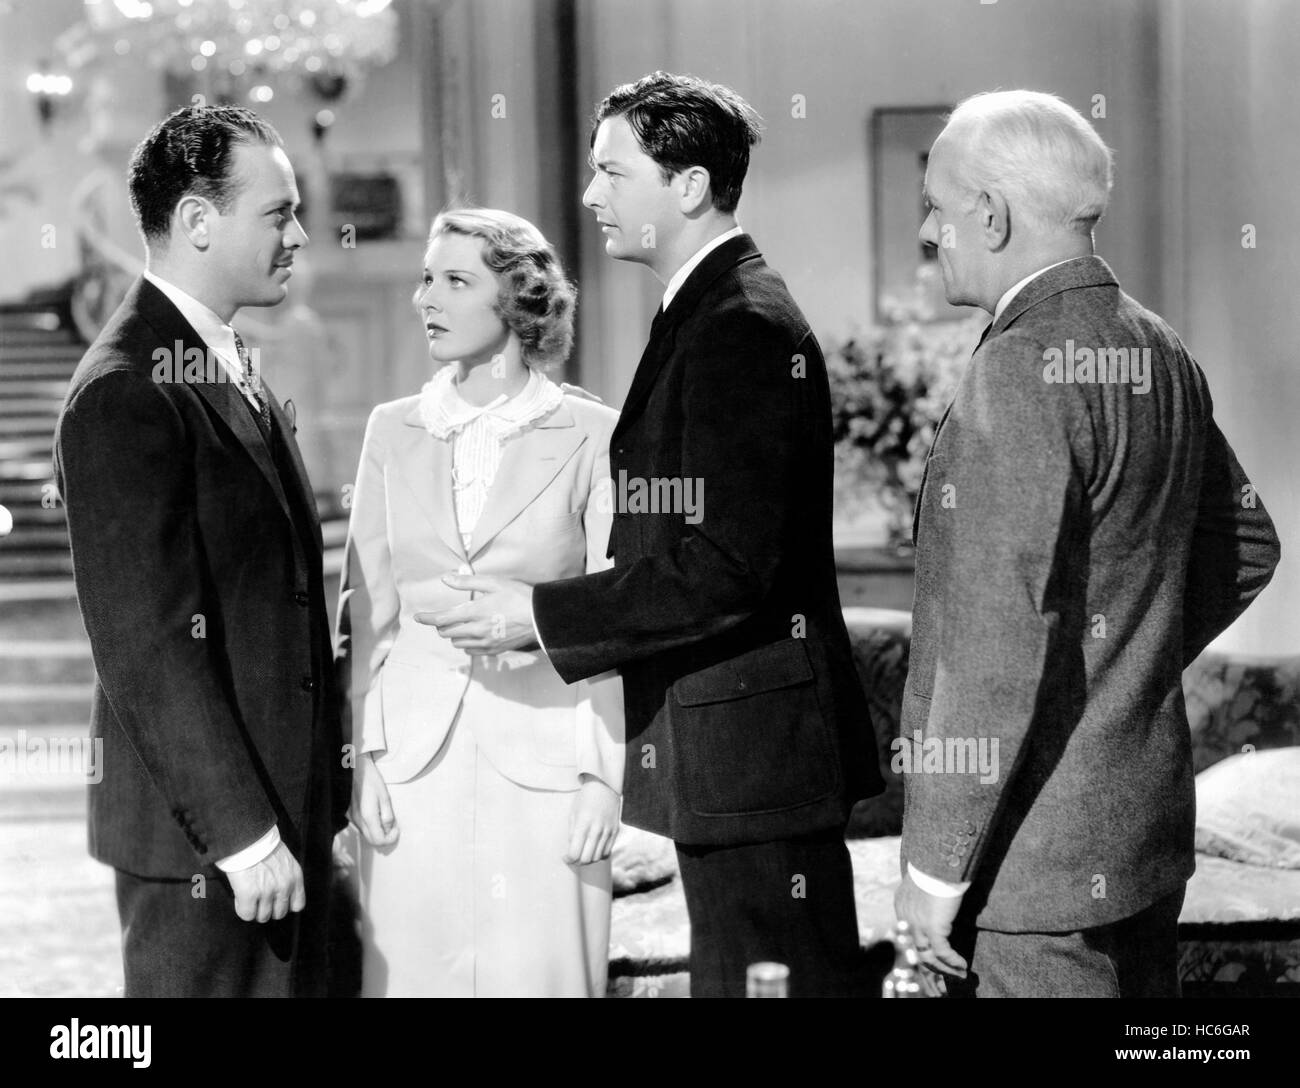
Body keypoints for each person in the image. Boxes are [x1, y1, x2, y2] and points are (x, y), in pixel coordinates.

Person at [421, 73, 881, 998]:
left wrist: (540, 615)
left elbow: (726, 566)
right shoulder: (708, 309)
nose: (591, 196)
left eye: (612, 172)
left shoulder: (740, 324)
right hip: (738, 759)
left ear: (689, 186)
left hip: (754, 762)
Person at [893, 90, 1282, 997]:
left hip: (1031, 865)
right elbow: (1250, 545)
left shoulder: (1020, 367)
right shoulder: (1156, 345)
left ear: (988, 216)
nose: (927, 231)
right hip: (1141, 841)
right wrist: (1118, 668)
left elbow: (996, 650)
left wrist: (929, 876)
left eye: (937, 208)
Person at [53, 105, 349, 997]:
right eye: (278, 213)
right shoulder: (124, 389)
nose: (300, 235)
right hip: (210, 848)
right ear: (195, 220)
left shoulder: (214, 355)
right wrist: (243, 836)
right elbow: (144, 644)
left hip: (275, 817)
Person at [337, 208, 624, 998]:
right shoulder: (391, 430)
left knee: (543, 982)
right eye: (426, 278)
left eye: (455, 281)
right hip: (410, 766)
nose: (427, 297)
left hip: (547, 760)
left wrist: (603, 777)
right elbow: (367, 617)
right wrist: (357, 760)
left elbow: (611, 615)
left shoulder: (593, 433)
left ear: (520, 302)